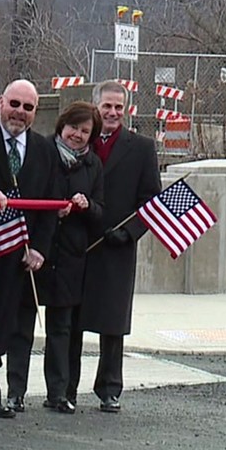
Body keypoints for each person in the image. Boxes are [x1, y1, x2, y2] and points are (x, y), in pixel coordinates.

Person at [0, 79, 58, 418]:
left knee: (5, 326)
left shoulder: (44, 149)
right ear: (1, 102)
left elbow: (50, 204)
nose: (19, 112)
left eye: (28, 107)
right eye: (15, 104)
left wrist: (40, 249)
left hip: (19, 256)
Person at [69, 80, 161, 412]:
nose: (112, 112)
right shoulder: (78, 142)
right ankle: (65, 388)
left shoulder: (141, 147)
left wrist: (130, 232)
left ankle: (109, 388)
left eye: (118, 107)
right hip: (79, 242)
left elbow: (152, 202)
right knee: (71, 320)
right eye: (106, 106)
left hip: (117, 246)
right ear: (96, 107)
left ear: (126, 110)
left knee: (112, 324)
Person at [38, 102, 104, 413]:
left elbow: (102, 212)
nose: (77, 135)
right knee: (27, 326)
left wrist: (86, 204)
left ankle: (63, 391)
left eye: (85, 131)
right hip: (41, 250)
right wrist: (54, 207)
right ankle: (17, 390)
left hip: (72, 257)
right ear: (62, 125)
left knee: (65, 328)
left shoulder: (93, 165)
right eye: (73, 127)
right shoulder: (44, 153)